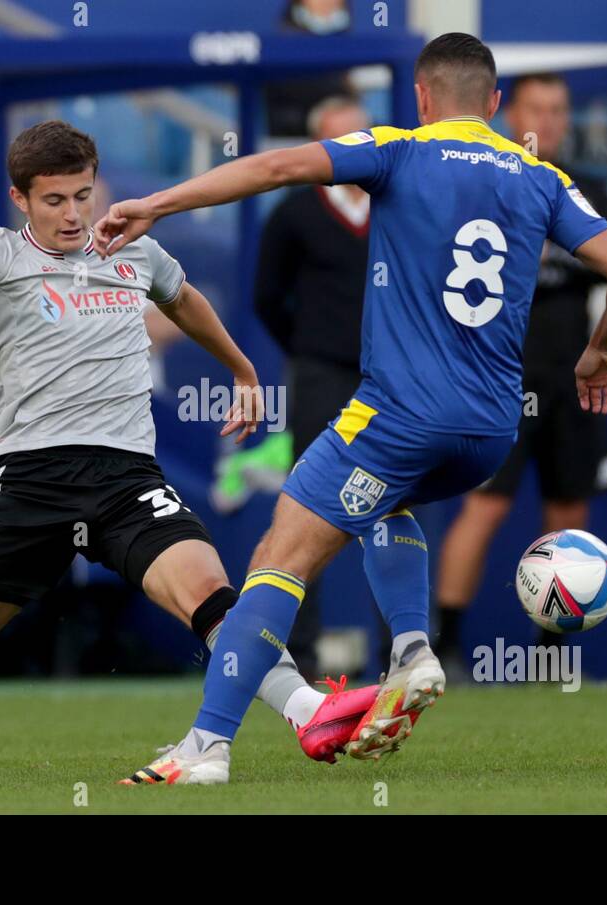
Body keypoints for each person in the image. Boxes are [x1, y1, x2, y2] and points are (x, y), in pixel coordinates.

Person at [0, 121, 378, 784]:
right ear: (20, 198)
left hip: (126, 477)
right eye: (55, 200)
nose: (74, 213)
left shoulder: (135, 250)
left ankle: (310, 711)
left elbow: (183, 298)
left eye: (83, 194)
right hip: (30, 484)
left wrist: (243, 369)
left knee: (213, 596)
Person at [95, 33, 607, 784]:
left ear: (422, 98)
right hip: (488, 430)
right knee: (385, 505)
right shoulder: (540, 176)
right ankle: (415, 649)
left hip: (398, 413)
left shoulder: (397, 148)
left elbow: (277, 166)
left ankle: (206, 747)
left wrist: (158, 203)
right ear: (494, 105)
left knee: (274, 557)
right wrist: (603, 348)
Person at [434, 73, 607, 678]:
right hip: (499, 374)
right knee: (484, 508)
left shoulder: (583, 190)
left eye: (560, 108)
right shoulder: (484, 177)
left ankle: (550, 656)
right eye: (537, 106)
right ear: (508, 111)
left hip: (574, 373)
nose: (549, 118)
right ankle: (446, 647)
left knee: (568, 515)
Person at [250, 94, 374, 680]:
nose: (353, 150)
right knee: (310, 508)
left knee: (396, 507)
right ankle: (297, 650)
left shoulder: (394, 204)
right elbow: (266, 296)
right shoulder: (295, 213)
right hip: (322, 375)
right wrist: (308, 346)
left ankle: (406, 648)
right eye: (340, 140)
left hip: (389, 381)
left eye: (361, 136)